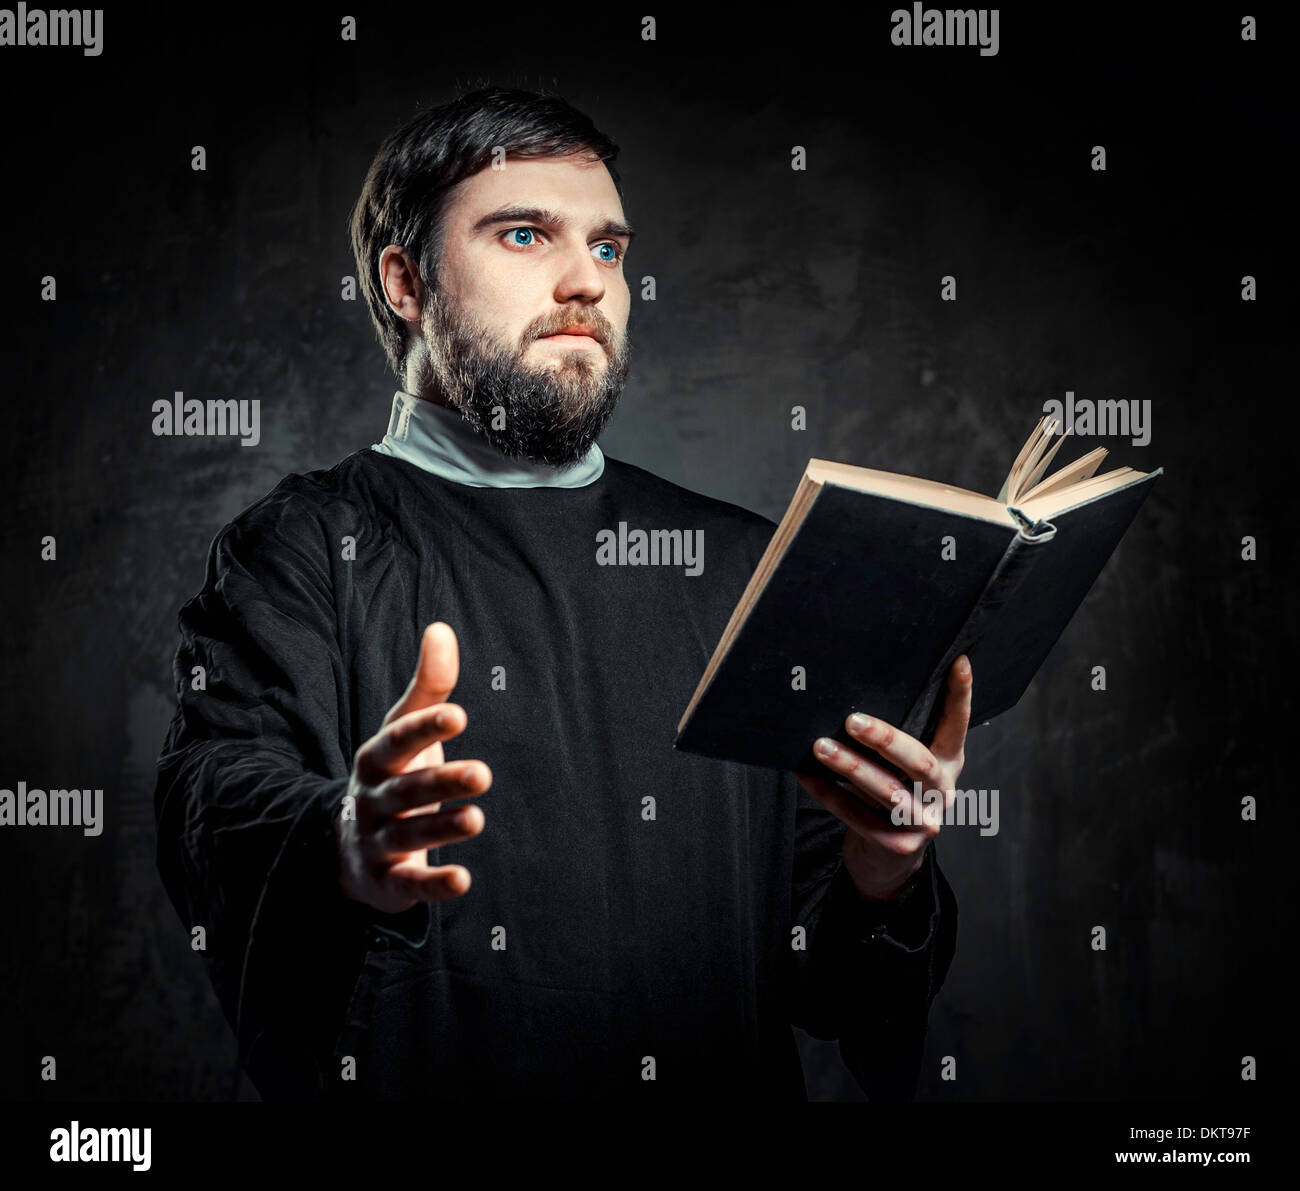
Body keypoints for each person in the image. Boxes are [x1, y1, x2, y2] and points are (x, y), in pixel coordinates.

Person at [153, 86, 968, 1102]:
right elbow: (213, 794)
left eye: (611, 249)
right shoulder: (304, 550)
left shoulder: (743, 567)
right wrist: (344, 843)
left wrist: (883, 864)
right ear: (405, 282)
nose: (587, 280)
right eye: (526, 234)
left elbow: (833, 983)